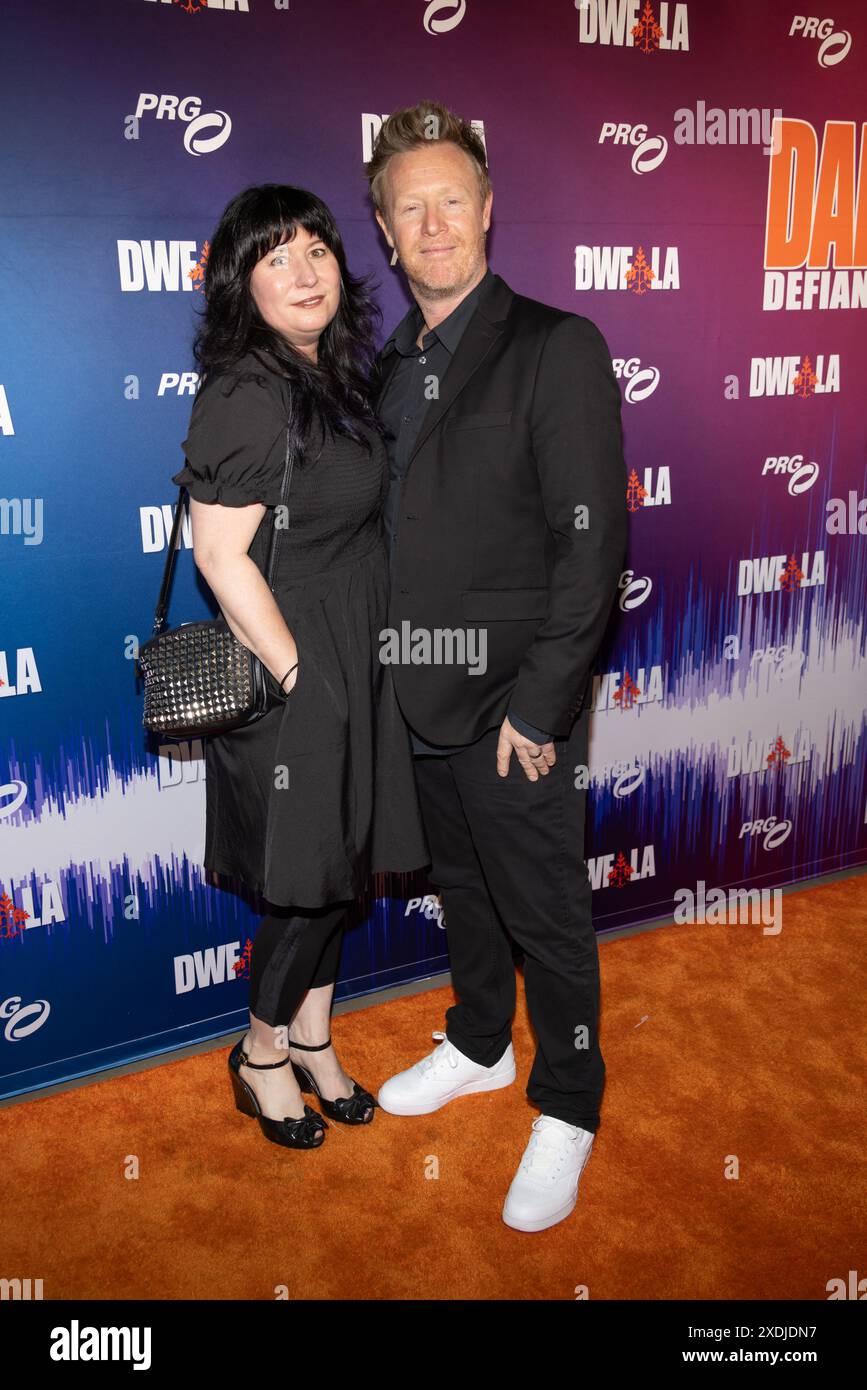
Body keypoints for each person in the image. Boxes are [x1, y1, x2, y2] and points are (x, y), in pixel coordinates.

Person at [365, 102, 628, 1230]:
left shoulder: (555, 347)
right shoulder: (391, 363)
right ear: (382, 232)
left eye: (451, 201)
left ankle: (568, 1097)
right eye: (409, 207)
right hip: (416, 694)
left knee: (546, 912)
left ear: (488, 210)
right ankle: (478, 1042)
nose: (433, 224)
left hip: (514, 706)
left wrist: (542, 706)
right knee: (464, 891)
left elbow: (593, 549)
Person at [170, 184, 429, 1151]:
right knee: (306, 882)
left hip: (356, 655)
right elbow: (218, 556)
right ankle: (260, 1052)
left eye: (314, 247)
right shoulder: (245, 389)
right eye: (274, 257)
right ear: (242, 285)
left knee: (341, 868)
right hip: (297, 669)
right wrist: (294, 676)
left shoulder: (327, 375)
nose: (304, 269)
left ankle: (316, 1037)